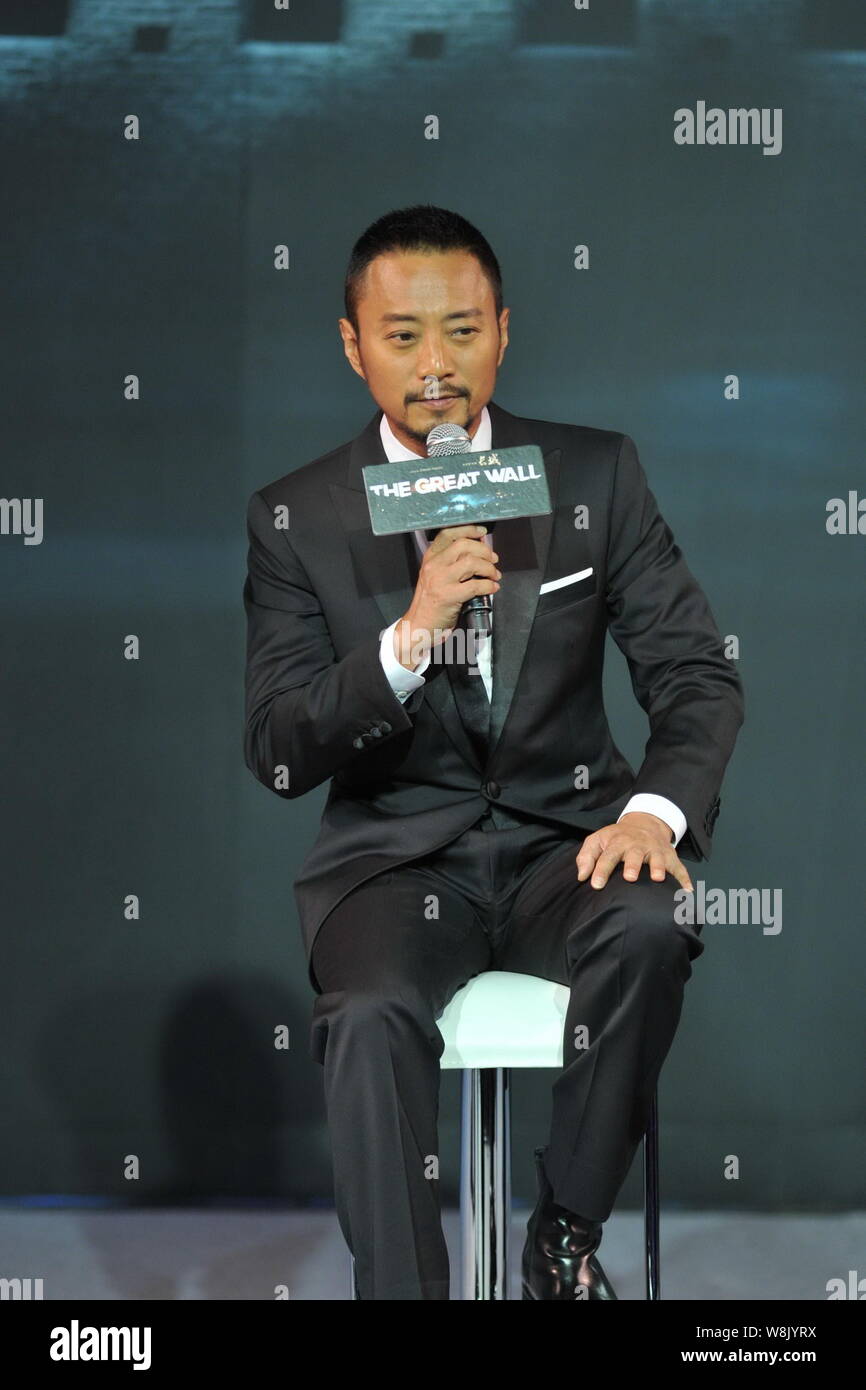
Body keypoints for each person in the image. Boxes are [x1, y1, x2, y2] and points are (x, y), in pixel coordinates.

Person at [243, 204, 745, 1300]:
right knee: (369, 1014)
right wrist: (409, 637)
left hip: (566, 848)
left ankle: (561, 1235)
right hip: (393, 861)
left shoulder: (593, 476)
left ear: (503, 332)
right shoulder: (295, 516)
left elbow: (695, 676)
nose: (435, 367)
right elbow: (279, 745)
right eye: (404, 335)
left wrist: (649, 816)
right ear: (352, 345)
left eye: (462, 331)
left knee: (654, 921)